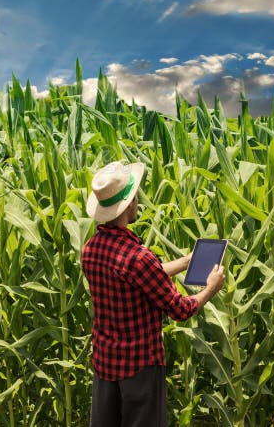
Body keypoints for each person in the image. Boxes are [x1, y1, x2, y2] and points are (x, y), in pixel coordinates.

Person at [82, 161, 226, 427]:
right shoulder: (138, 258)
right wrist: (211, 288)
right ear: (130, 202)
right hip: (140, 370)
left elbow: (134, 277)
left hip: (105, 365)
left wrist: (185, 261)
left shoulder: (91, 249)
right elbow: (180, 310)